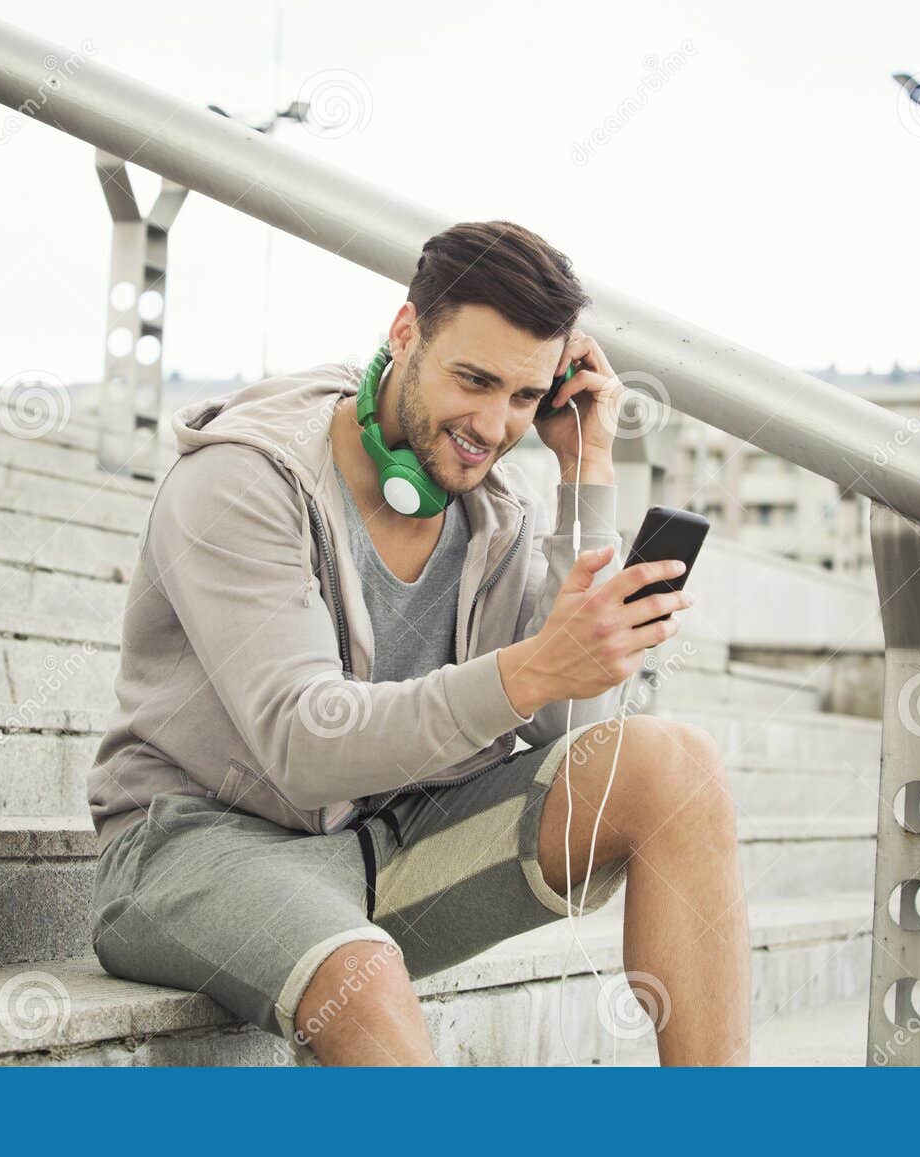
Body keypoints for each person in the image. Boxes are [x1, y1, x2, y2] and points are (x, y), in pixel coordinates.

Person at [87, 220, 751, 1066]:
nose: (492, 424)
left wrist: (588, 472)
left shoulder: (494, 515)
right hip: (194, 847)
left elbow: (570, 729)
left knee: (675, 766)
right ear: (405, 334)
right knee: (363, 980)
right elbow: (301, 743)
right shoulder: (241, 478)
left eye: (522, 396)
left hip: (384, 848)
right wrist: (532, 666)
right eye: (473, 379)